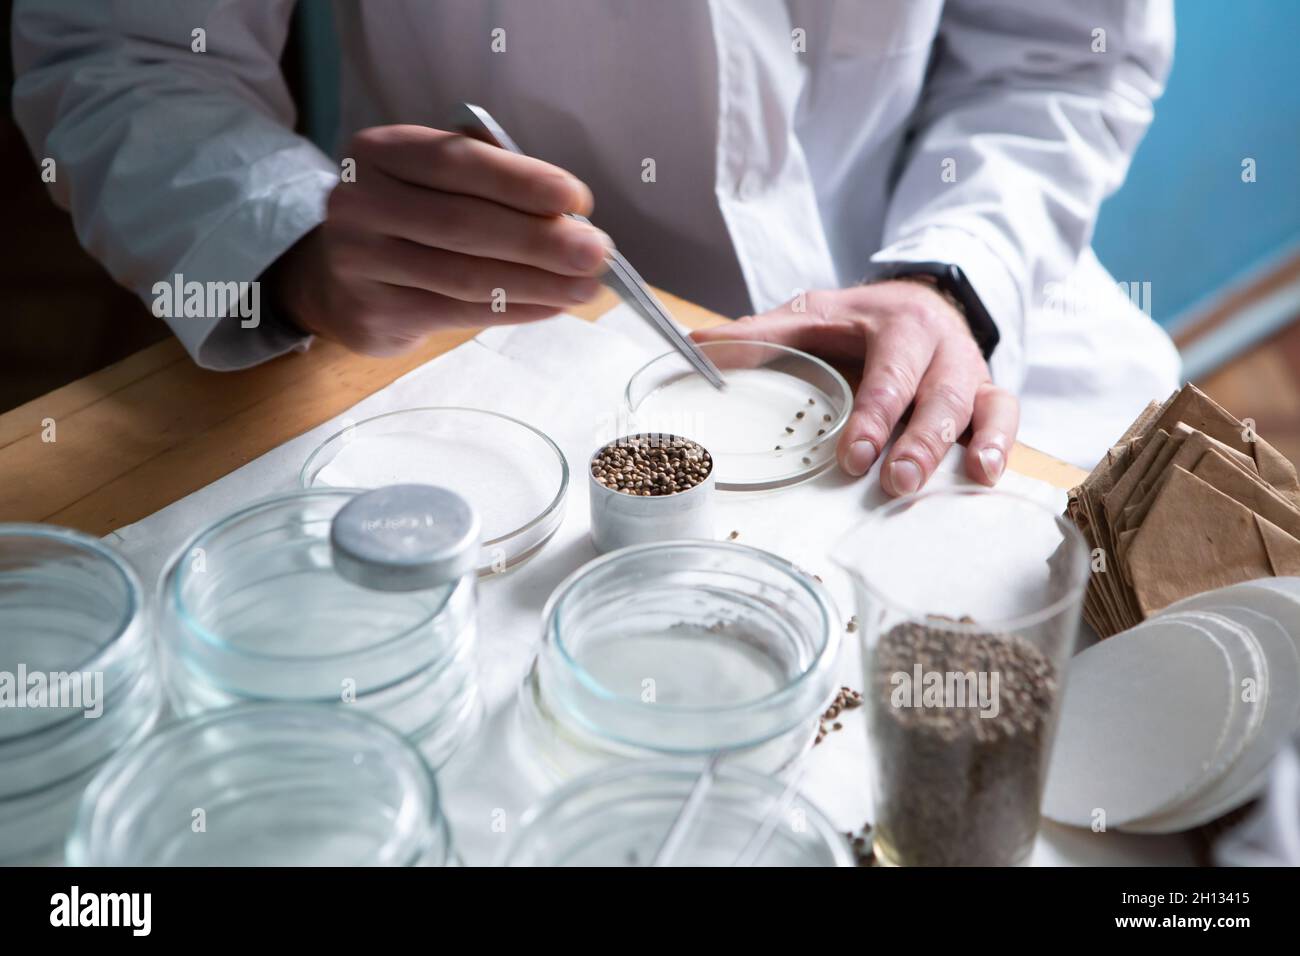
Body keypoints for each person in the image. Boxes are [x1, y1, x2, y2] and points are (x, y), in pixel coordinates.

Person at [11, 0, 1180, 492]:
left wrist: (949, 276)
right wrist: (285, 241)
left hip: (933, 274)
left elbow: (1064, 50)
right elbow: (125, 50)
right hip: (478, 339)